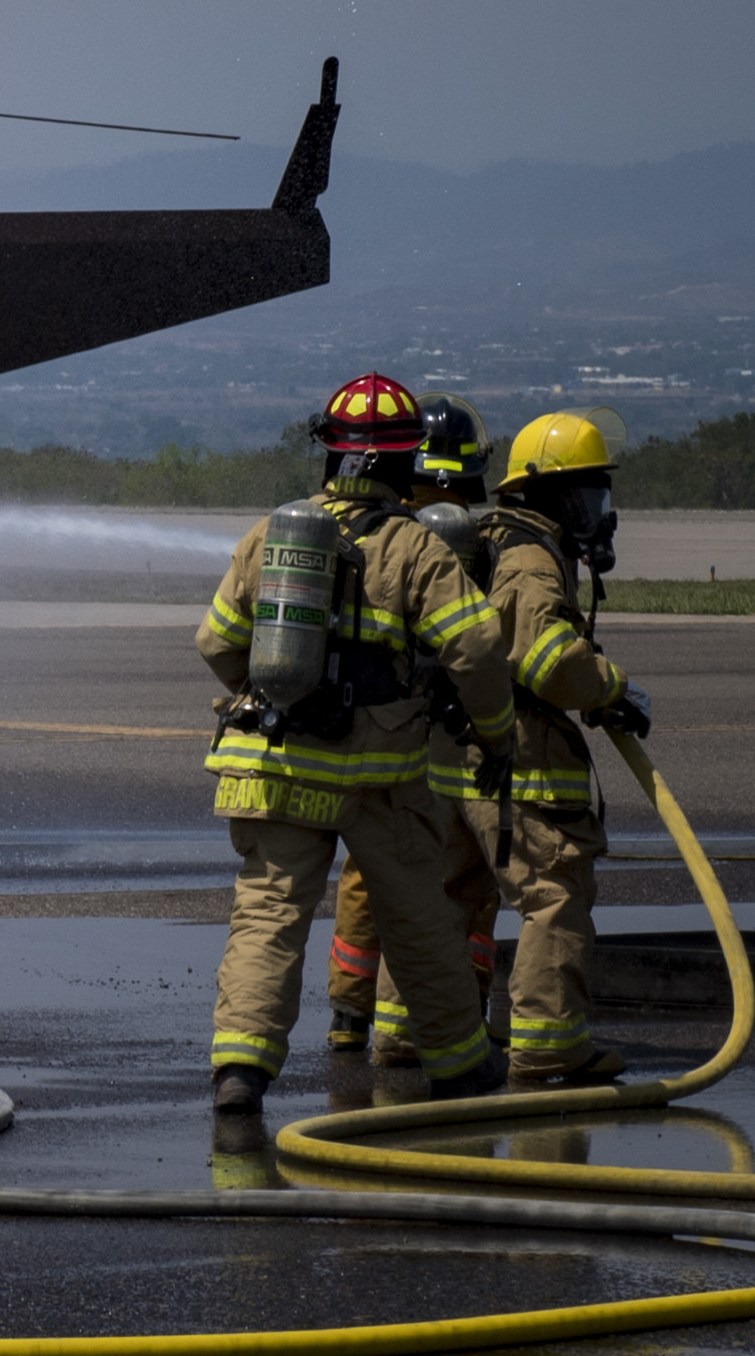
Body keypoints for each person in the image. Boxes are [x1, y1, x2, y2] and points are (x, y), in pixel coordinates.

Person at [198, 373, 518, 1114]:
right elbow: (474, 648)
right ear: (406, 464)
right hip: (378, 776)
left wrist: (271, 686)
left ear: (331, 455)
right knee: (416, 915)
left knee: (268, 912)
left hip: (273, 767)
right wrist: (494, 736)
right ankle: (461, 1065)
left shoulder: (273, 533)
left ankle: (239, 1072)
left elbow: (214, 640)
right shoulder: (413, 547)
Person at [464, 408, 644, 1082]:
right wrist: (609, 684)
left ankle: (418, 1038)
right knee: (552, 893)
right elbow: (545, 659)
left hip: (466, 757)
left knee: (448, 897)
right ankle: (547, 1044)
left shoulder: (504, 544)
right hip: (520, 759)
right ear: (544, 494)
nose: (596, 514)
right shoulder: (531, 561)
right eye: (585, 497)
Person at [327, 394, 502, 1064]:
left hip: (380, 722)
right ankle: (434, 1022)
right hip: (439, 728)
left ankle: (349, 1016)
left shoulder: (378, 528)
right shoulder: (440, 537)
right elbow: (480, 643)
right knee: (450, 874)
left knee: (365, 873)